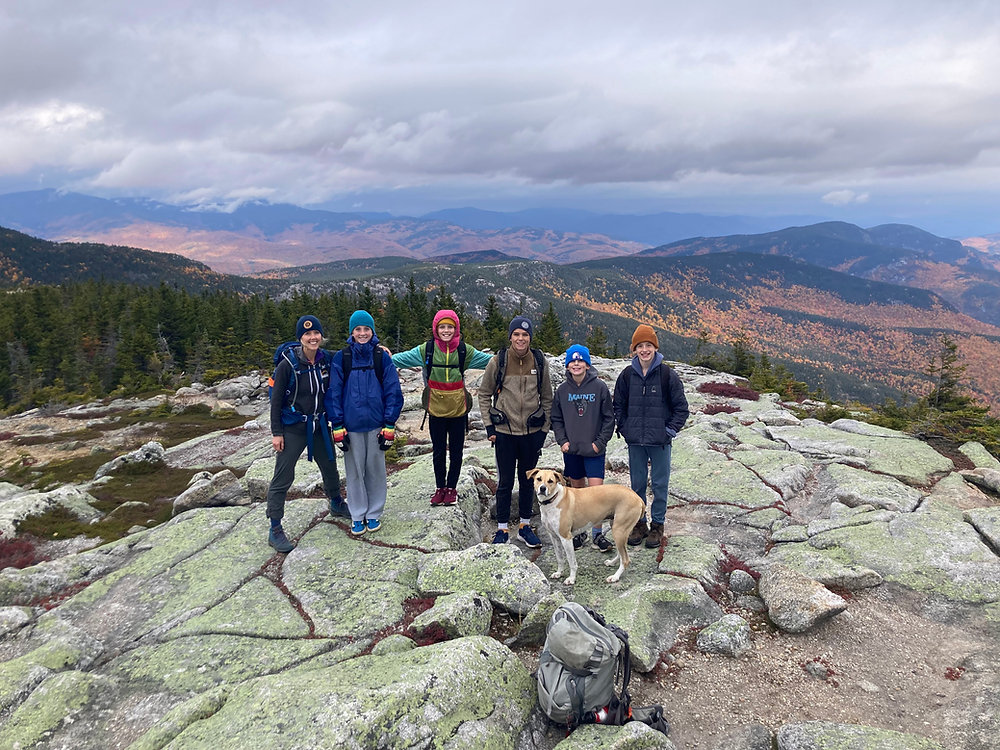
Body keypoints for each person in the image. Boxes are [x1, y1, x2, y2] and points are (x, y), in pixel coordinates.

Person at [391, 309, 493, 505]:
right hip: (436, 409)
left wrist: (512, 357)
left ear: (456, 329)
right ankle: (440, 488)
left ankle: (451, 489)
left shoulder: (465, 351)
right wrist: (383, 354)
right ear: (436, 329)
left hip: (458, 410)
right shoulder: (426, 350)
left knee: (456, 452)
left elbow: (491, 361)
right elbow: (400, 359)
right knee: (438, 451)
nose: (446, 330)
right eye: (442, 327)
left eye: (450, 327)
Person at [266, 314, 346, 553]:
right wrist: (276, 433)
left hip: (319, 425)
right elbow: (276, 401)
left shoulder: (325, 359)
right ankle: (275, 526)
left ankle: (336, 503)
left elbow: (348, 355)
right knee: (283, 475)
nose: (313, 338)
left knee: (330, 466)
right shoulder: (287, 365)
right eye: (307, 334)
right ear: (300, 338)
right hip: (293, 428)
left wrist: (379, 348)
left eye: (316, 333)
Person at [325, 310, 404, 537]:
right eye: (358, 329)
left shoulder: (382, 357)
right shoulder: (342, 358)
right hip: (350, 426)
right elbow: (334, 393)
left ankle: (374, 513)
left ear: (372, 331)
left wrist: (390, 424)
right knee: (355, 471)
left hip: (377, 425)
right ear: (352, 332)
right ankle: (358, 514)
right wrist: (337, 425)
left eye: (366, 329)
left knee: (376, 470)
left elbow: (393, 391)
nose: (362, 333)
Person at [477, 315, 553, 546]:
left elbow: (547, 397)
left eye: (525, 335)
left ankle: (524, 526)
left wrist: (544, 429)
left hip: (531, 433)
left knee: (527, 481)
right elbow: (483, 394)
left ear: (530, 337)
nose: (521, 339)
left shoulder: (539, 361)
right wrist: (490, 426)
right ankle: (502, 529)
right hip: (505, 432)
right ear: (511, 336)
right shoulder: (498, 361)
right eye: (517, 334)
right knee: (505, 482)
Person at [612, 324, 689, 549]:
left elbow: (681, 409)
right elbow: (618, 406)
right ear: (633, 349)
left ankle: (657, 525)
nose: (644, 350)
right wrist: (625, 428)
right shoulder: (626, 376)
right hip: (635, 441)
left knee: (659, 484)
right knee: (636, 485)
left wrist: (669, 431)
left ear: (655, 347)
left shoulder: (667, 375)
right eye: (640, 346)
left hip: (660, 442)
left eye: (648, 345)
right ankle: (639, 523)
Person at [550, 344, 616, 552]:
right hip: (572, 450)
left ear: (587, 365)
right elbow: (556, 418)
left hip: (594, 450)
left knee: (597, 494)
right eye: (572, 361)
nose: (576, 364)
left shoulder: (599, 387)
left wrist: (600, 443)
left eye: (580, 361)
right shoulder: (562, 390)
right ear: (567, 365)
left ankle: (598, 534)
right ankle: (580, 533)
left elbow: (608, 419)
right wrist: (563, 441)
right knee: (576, 494)